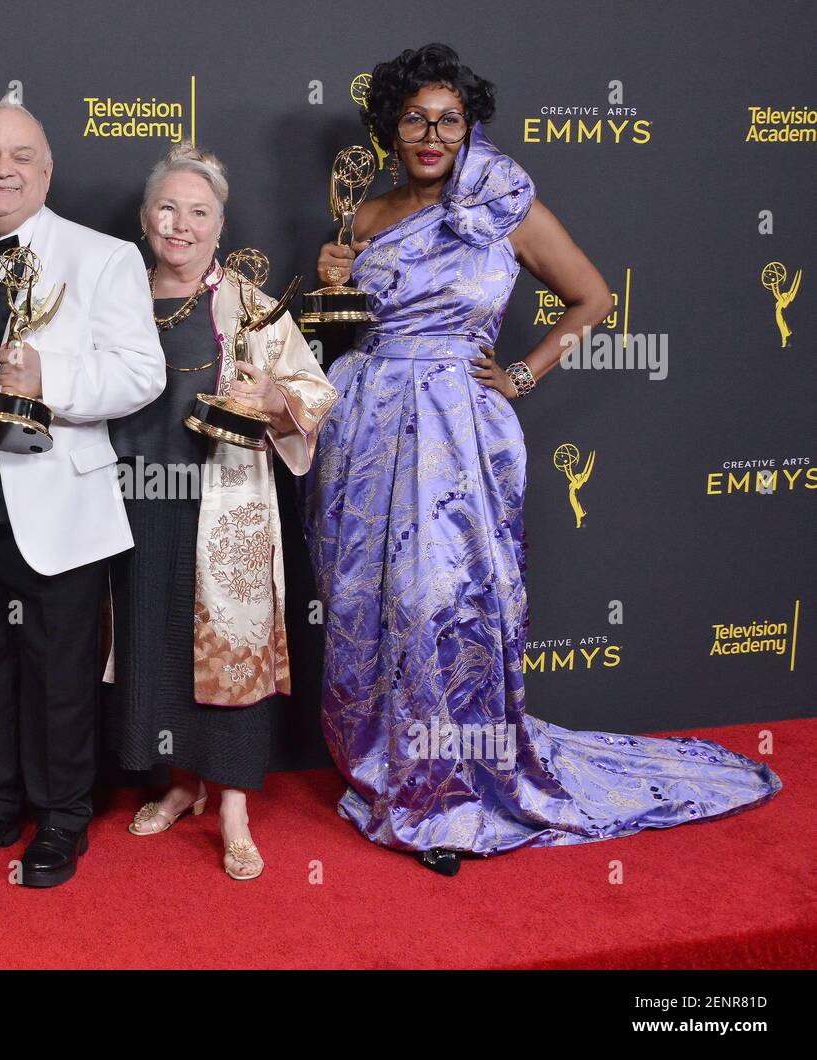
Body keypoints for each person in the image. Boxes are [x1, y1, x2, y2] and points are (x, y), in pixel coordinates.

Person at [303, 44, 781, 876]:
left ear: (468, 126)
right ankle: (391, 771)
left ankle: (448, 793)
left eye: (449, 119)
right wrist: (328, 280)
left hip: (458, 431)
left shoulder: (504, 204)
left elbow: (593, 296)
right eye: (415, 117)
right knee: (369, 605)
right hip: (369, 431)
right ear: (390, 125)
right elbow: (344, 330)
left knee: (443, 607)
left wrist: (523, 372)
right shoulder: (367, 217)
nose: (431, 134)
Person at [0, 100, 165, 888]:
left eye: (20, 157)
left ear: (46, 172)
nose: (2, 170)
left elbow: (142, 373)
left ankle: (62, 820)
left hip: (57, 507)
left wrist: (54, 380)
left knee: (60, 676)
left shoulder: (102, 256)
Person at [105, 144, 336, 880]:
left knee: (231, 658)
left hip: (228, 508)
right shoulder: (115, 294)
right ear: (145, 219)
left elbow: (317, 391)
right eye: (167, 208)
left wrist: (275, 399)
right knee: (157, 647)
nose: (180, 224)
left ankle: (232, 806)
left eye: (197, 212)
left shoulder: (251, 305)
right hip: (135, 501)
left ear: (220, 224)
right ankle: (178, 783)